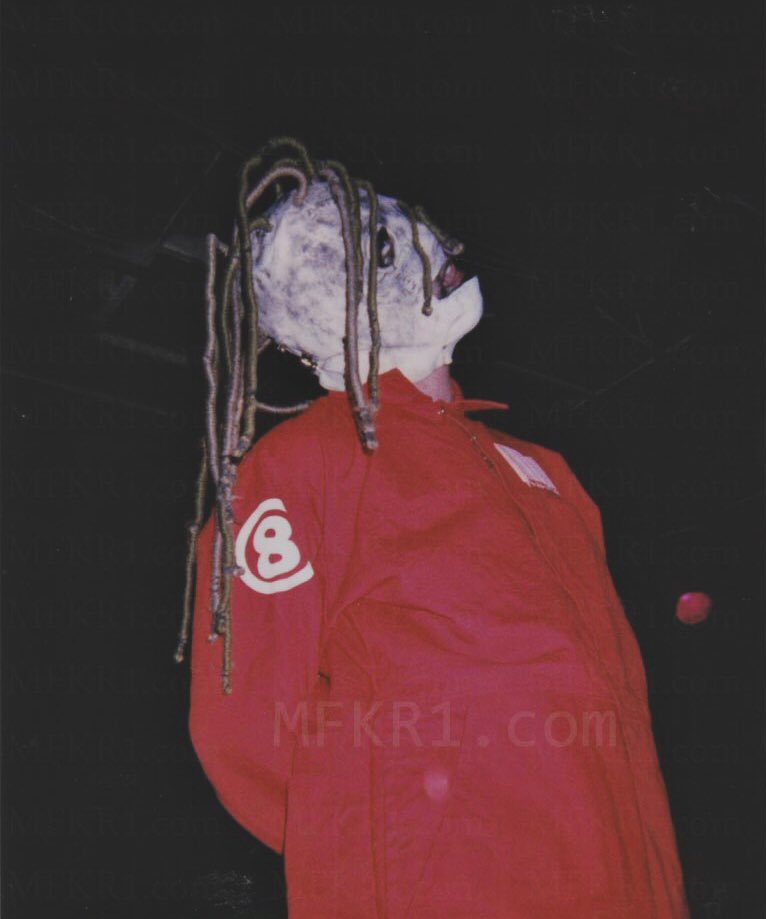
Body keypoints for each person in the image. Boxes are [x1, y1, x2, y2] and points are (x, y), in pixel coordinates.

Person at [176, 139, 689, 918]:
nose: (435, 249)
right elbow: (244, 732)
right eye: (385, 248)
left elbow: (617, 690)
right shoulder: (298, 466)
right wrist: (386, 839)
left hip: (620, 866)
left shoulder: (545, 468)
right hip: (454, 881)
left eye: (417, 230)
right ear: (331, 301)